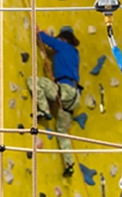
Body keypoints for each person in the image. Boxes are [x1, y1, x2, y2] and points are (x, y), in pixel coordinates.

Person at [29, 27, 82, 177]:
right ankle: (69, 163)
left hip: (64, 90)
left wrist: (40, 32)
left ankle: (44, 110)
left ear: (63, 39)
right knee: (62, 132)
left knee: (33, 81)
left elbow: (44, 39)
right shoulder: (74, 54)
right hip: (74, 96)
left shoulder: (63, 45)